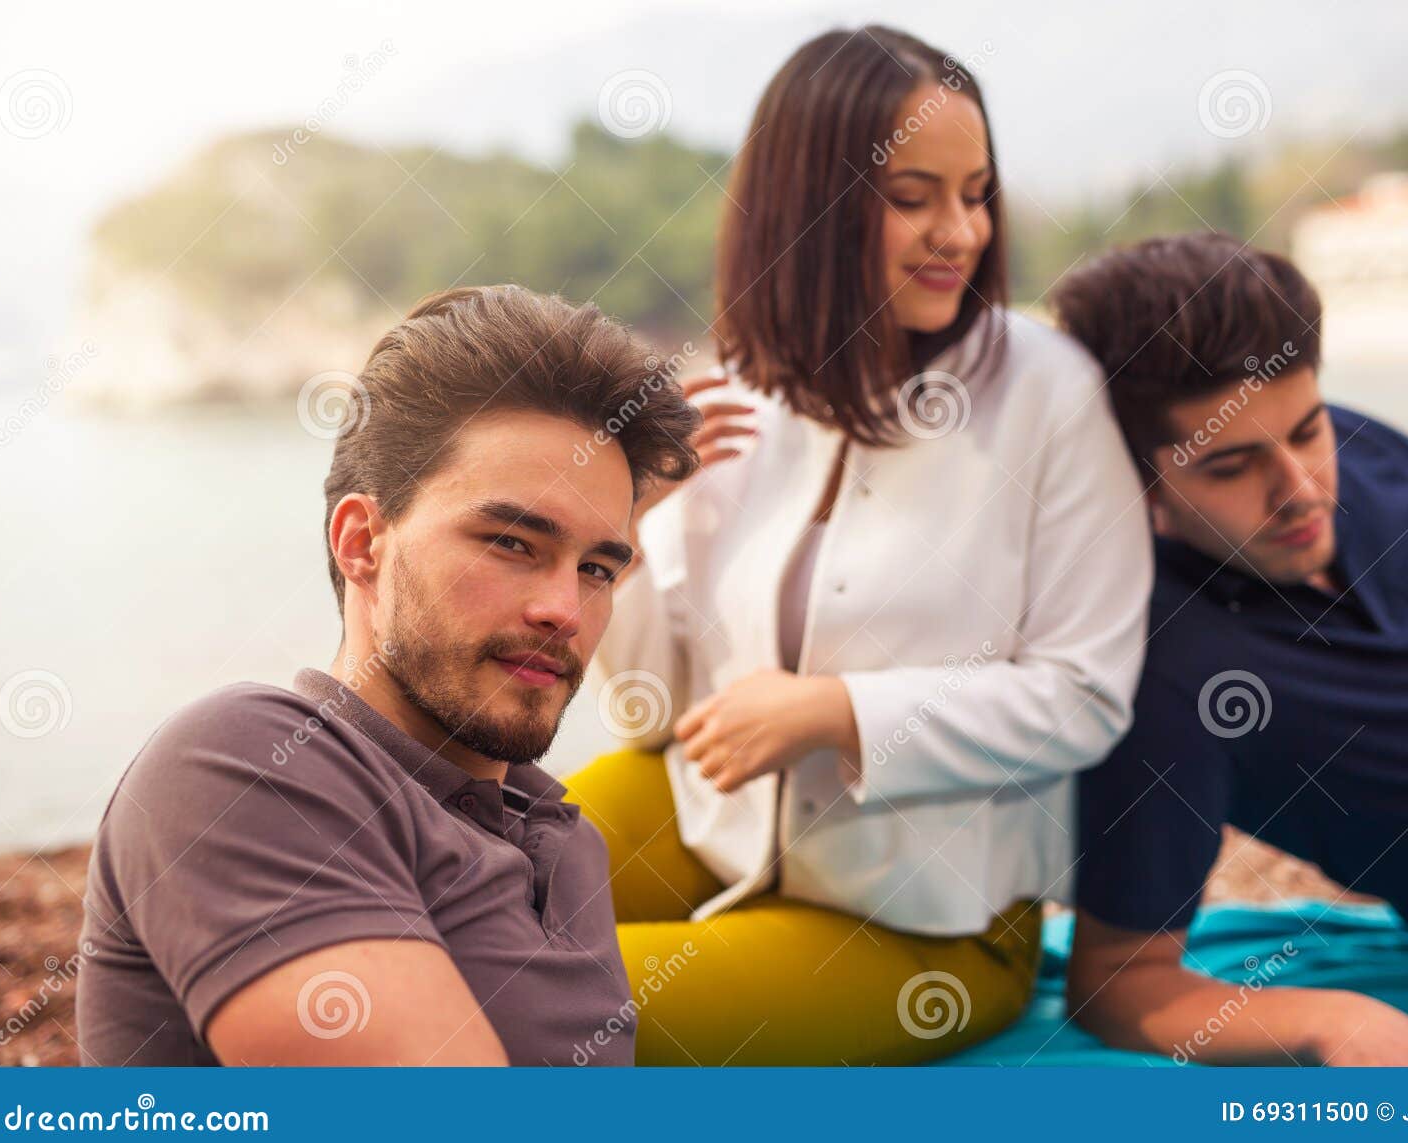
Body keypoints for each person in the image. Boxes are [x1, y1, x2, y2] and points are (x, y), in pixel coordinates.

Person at [568, 25, 1152, 1065]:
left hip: (931, 922)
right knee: (431, 885)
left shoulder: (1049, 392)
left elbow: (1085, 695)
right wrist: (636, 525)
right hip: (711, 822)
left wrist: (836, 710)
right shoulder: (738, 388)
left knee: (546, 1008)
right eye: (913, 196)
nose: (960, 232)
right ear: (809, 206)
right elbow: (655, 703)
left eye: (976, 194)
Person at [77, 285, 700, 1066]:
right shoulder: (240, 766)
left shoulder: (567, 844)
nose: (565, 610)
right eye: (512, 542)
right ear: (361, 542)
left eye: (598, 567)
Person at [1053, 231, 1408, 1066]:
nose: (1301, 489)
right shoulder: (1167, 665)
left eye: (1306, 431)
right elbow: (1119, 977)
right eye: (1231, 466)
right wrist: (1330, 1022)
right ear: (1136, 478)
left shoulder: (1362, 443)